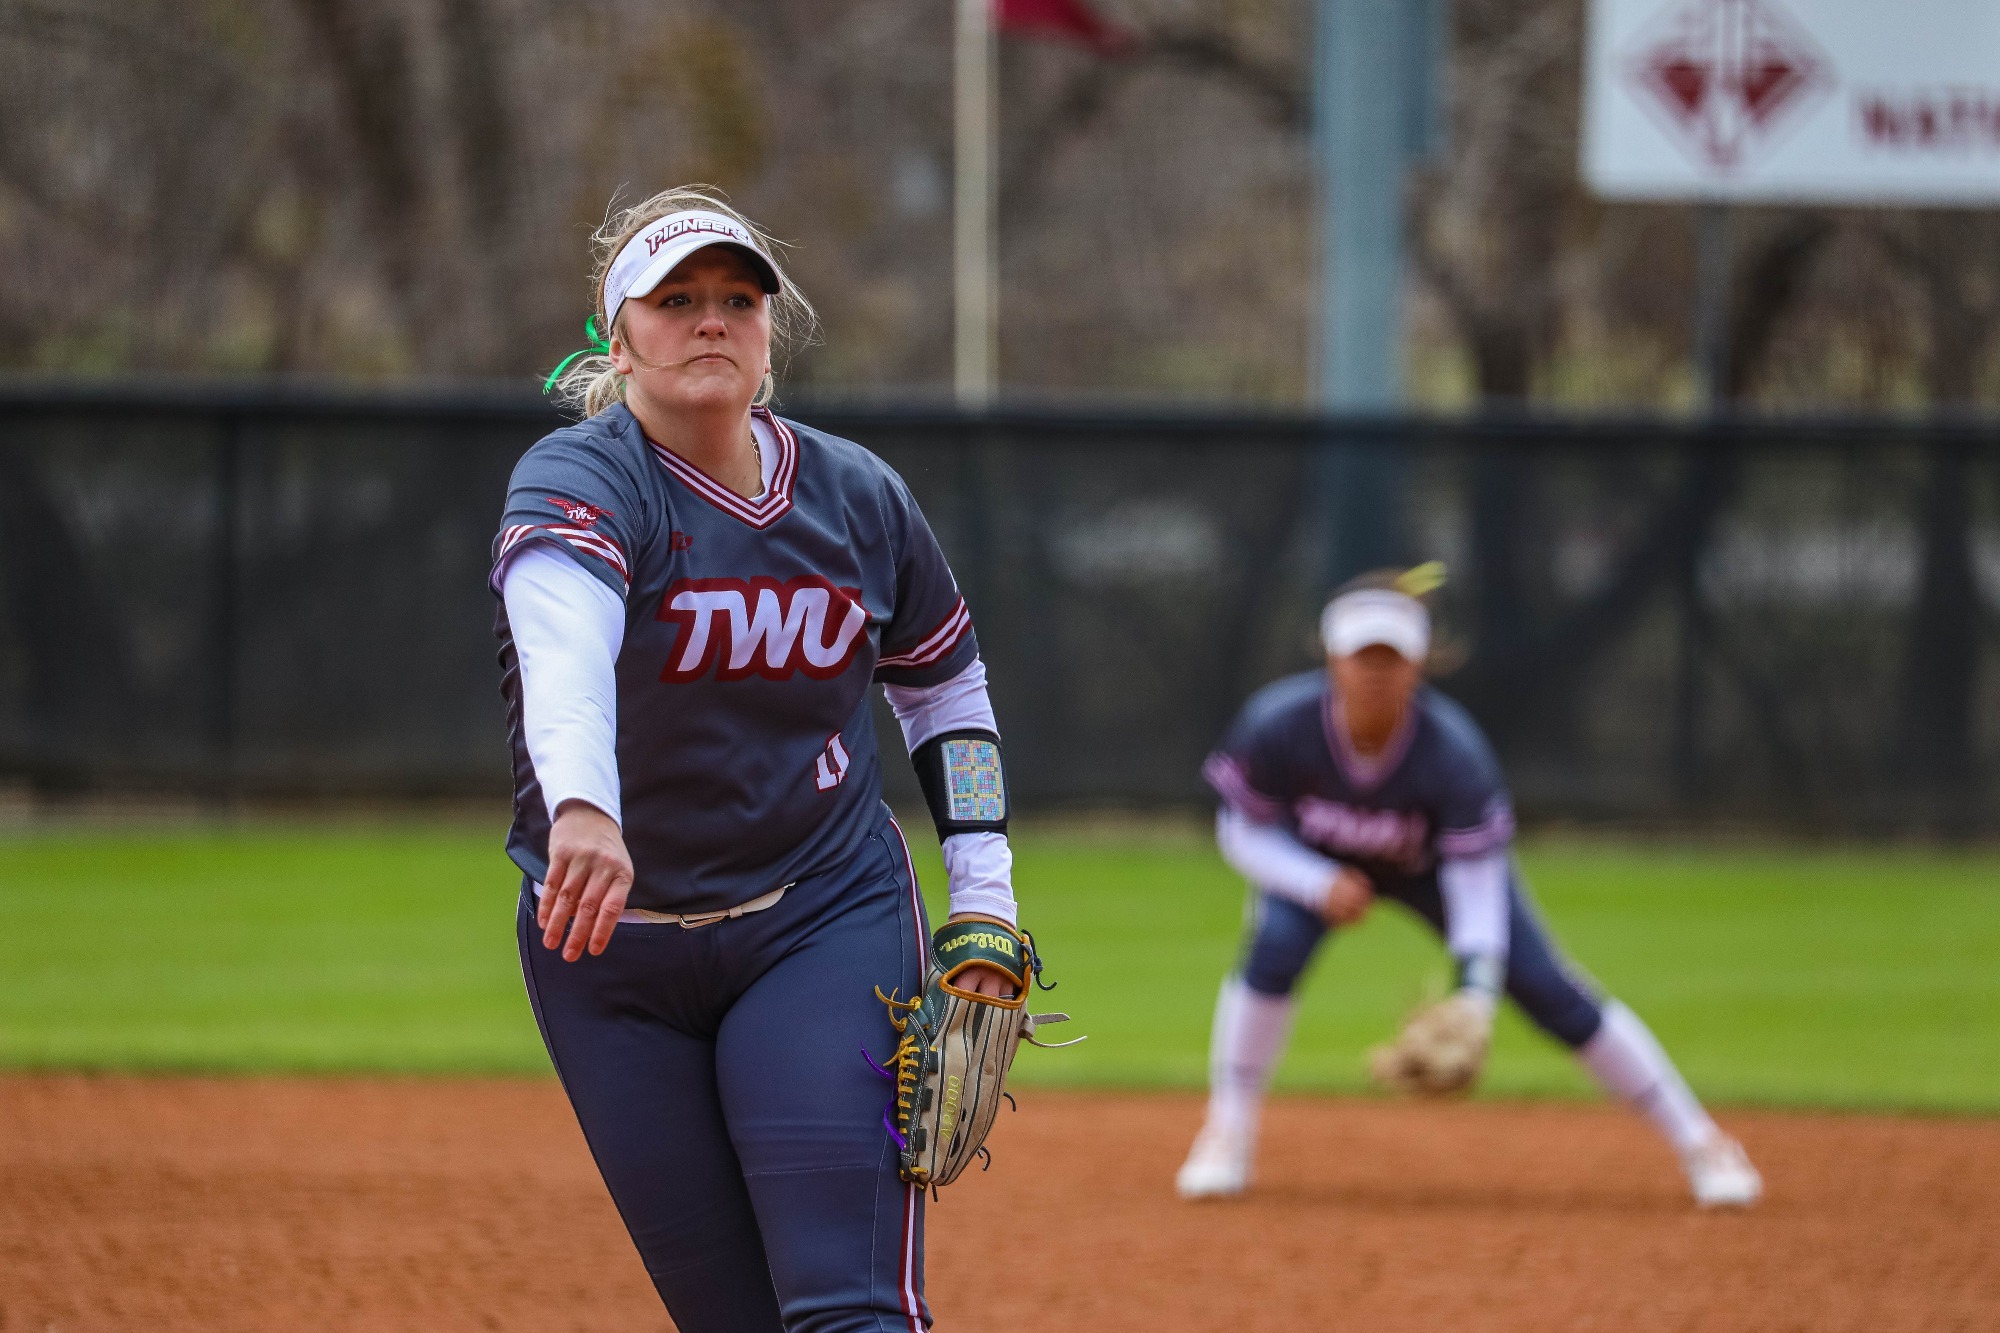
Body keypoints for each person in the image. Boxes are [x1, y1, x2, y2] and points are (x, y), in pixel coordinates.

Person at [492, 186, 1021, 1332]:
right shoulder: (580, 480)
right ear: (615, 329)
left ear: (771, 327)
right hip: (610, 959)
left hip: (818, 917)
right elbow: (562, 642)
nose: (710, 320)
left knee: (847, 1309)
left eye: (738, 298)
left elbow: (945, 686)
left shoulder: (857, 497)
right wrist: (583, 804)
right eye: (674, 299)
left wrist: (983, 892)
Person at [1175, 566, 1763, 1209]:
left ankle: (1702, 1143)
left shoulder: (1453, 753)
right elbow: (1242, 830)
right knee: (1275, 945)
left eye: (1391, 657)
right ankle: (1226, 1131)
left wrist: (1475, 1000)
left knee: (1547, 989)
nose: (1376, 671)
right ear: (1332, 660)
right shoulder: (1279, 723)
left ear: (1419, 665)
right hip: (1313, 868)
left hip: (1437, 874)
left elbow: (1477, 886)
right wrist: (1316, 881)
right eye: (1361, 655)